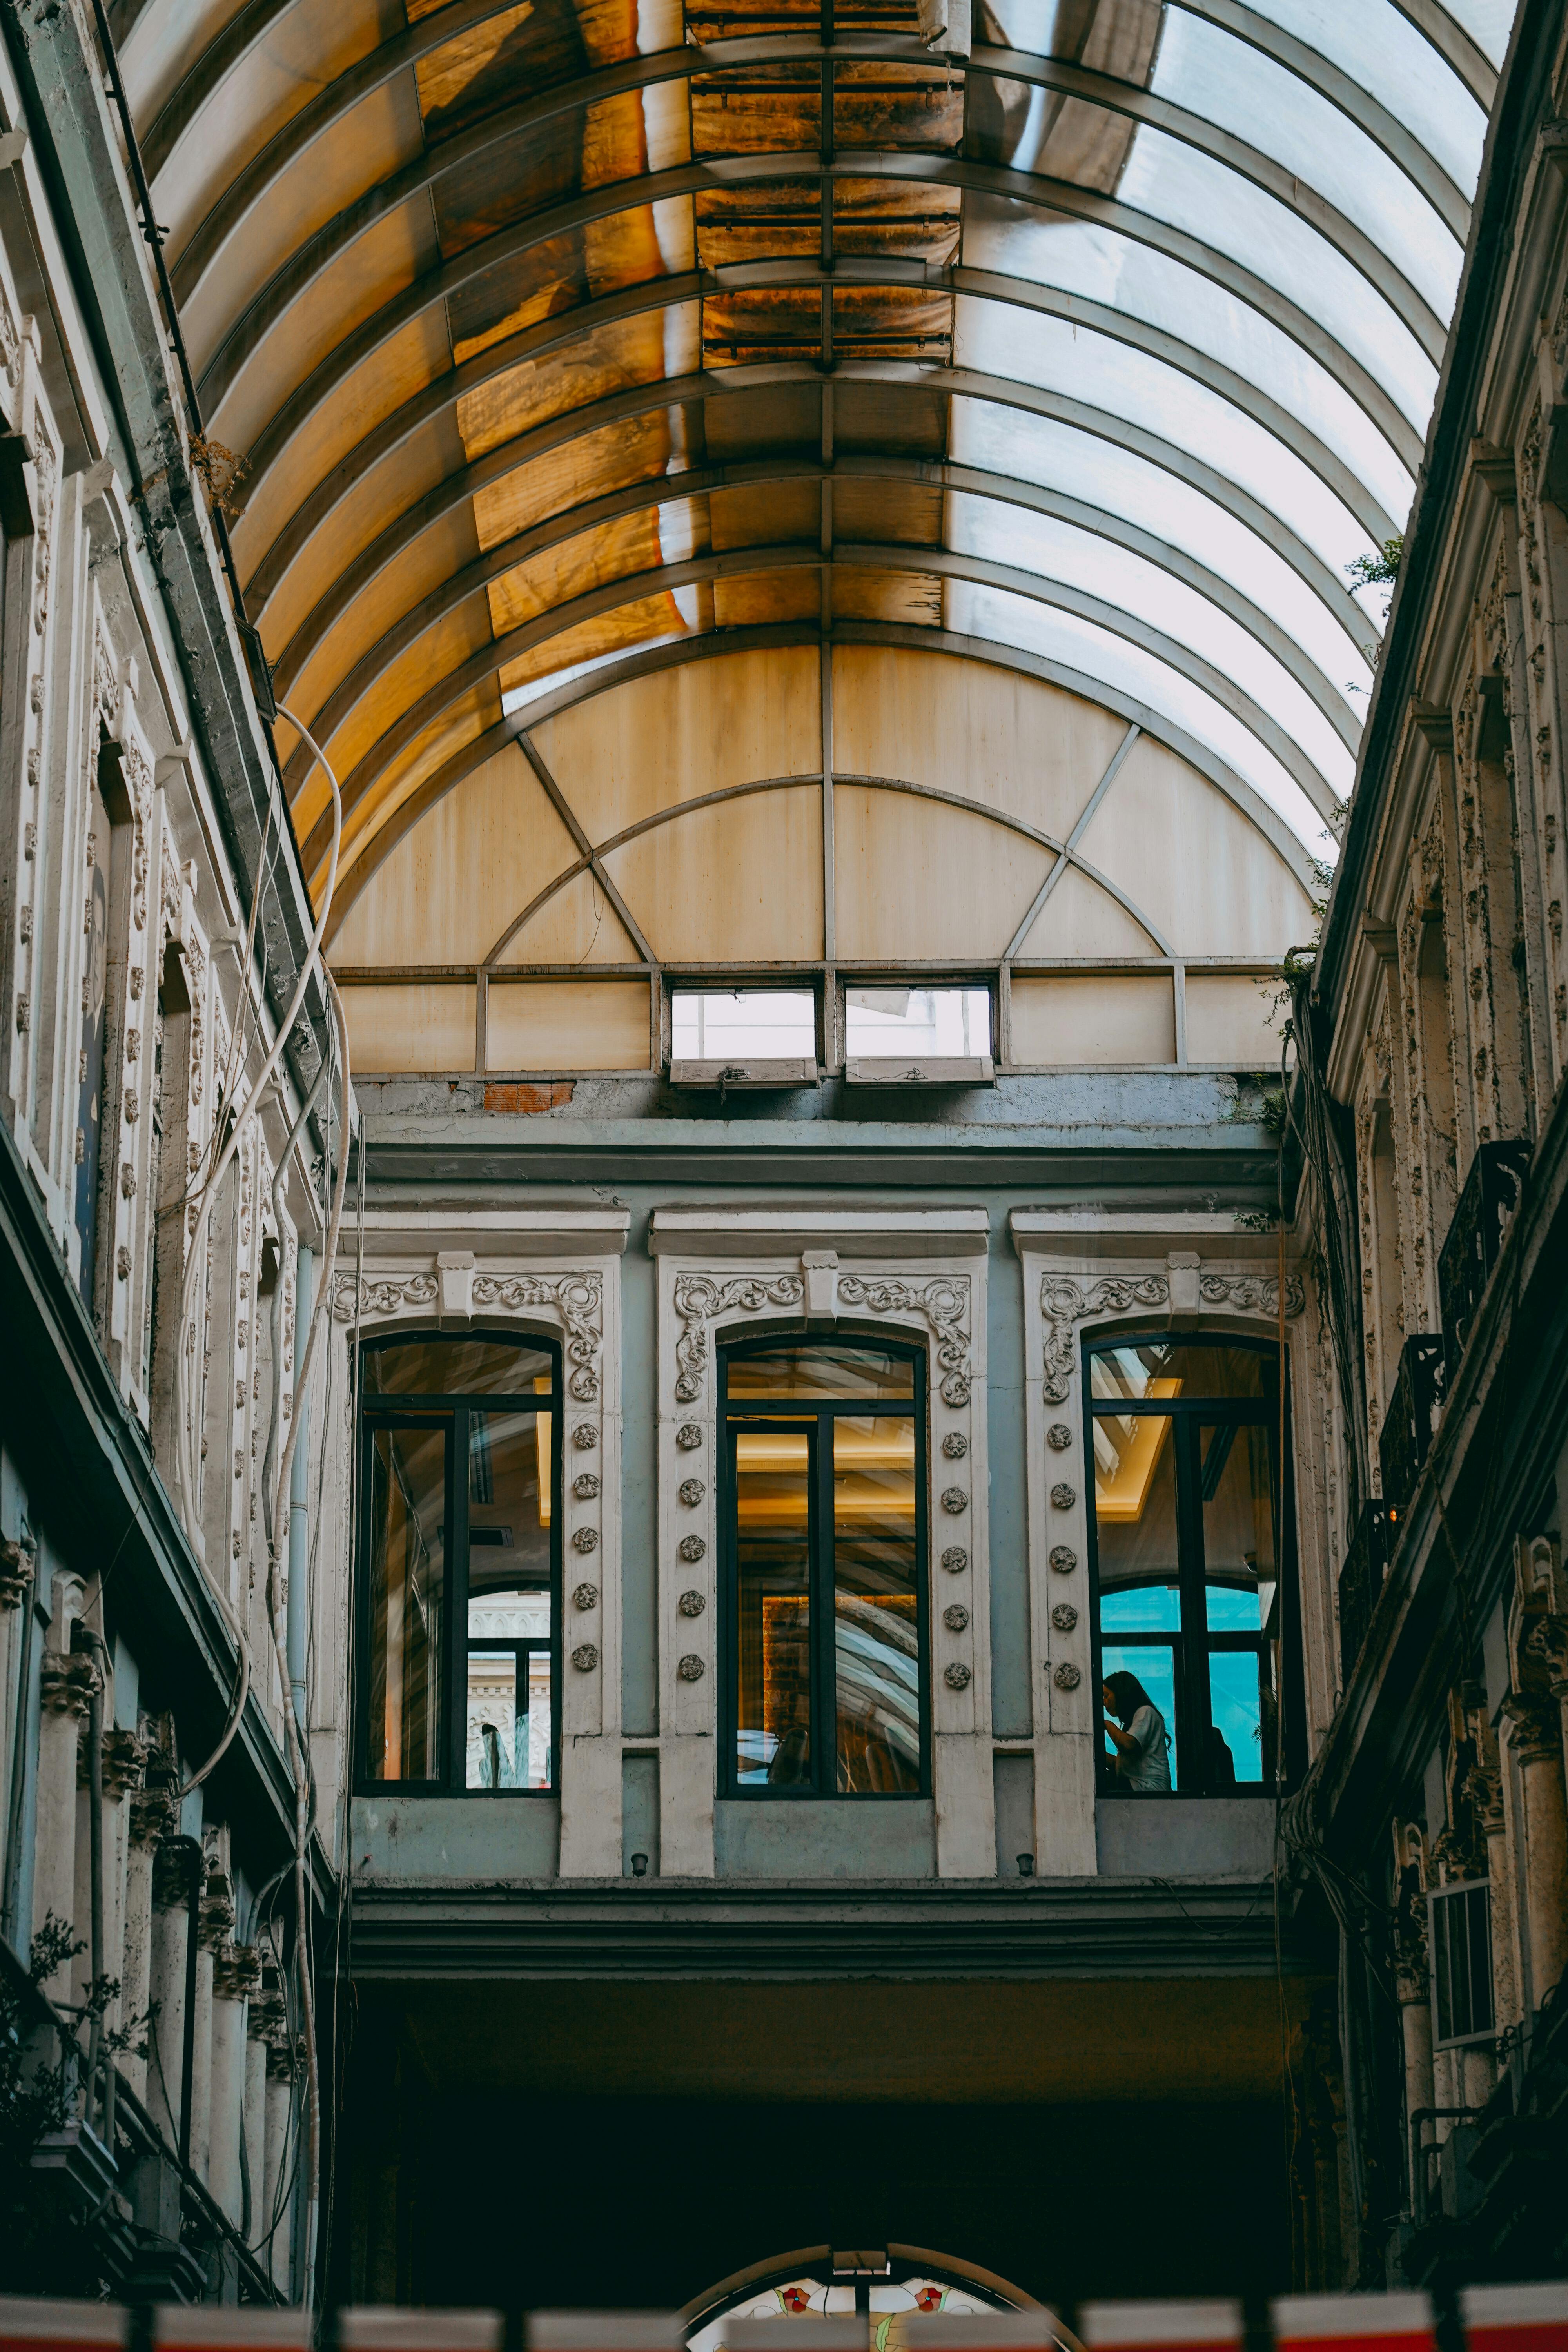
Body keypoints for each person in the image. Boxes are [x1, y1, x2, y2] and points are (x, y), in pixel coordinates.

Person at [1102, 1670, 1172, 1792]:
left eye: (1107, 1696)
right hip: (1137, 1787)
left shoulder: (1146, 1712)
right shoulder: (1134, 1721)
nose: (1104, 1702)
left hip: (1151, 1789)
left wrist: (1107, 1725)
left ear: (1121, 1694)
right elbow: (1121, 1768)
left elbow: (1128, 1745)